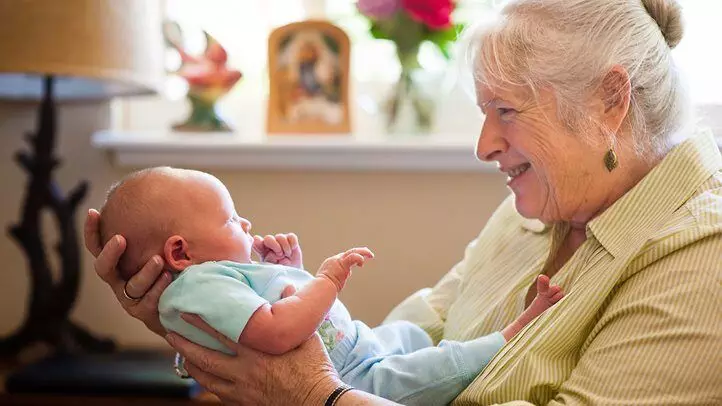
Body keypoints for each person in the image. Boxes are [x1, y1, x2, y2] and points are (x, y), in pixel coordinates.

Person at [86, 0, 722, 403]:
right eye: (481, 113)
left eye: (505, 111)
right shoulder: (537, 212)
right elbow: (402, 346)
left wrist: (315, 399)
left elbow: (332, 385)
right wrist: (196, 313)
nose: (483, 145)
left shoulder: (702, 257)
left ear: (611, 102)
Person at [95, 167, 564, 405]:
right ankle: (511, 335)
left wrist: (288, 271)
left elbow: (269, 312)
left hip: (361, 346)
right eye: (230, 219)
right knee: (437, 367)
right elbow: (280, 333)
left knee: (409, 338)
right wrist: (326, 279)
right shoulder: (200, 286)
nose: (246, 223)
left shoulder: (211, 280)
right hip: (352, 380)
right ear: (180, 253)